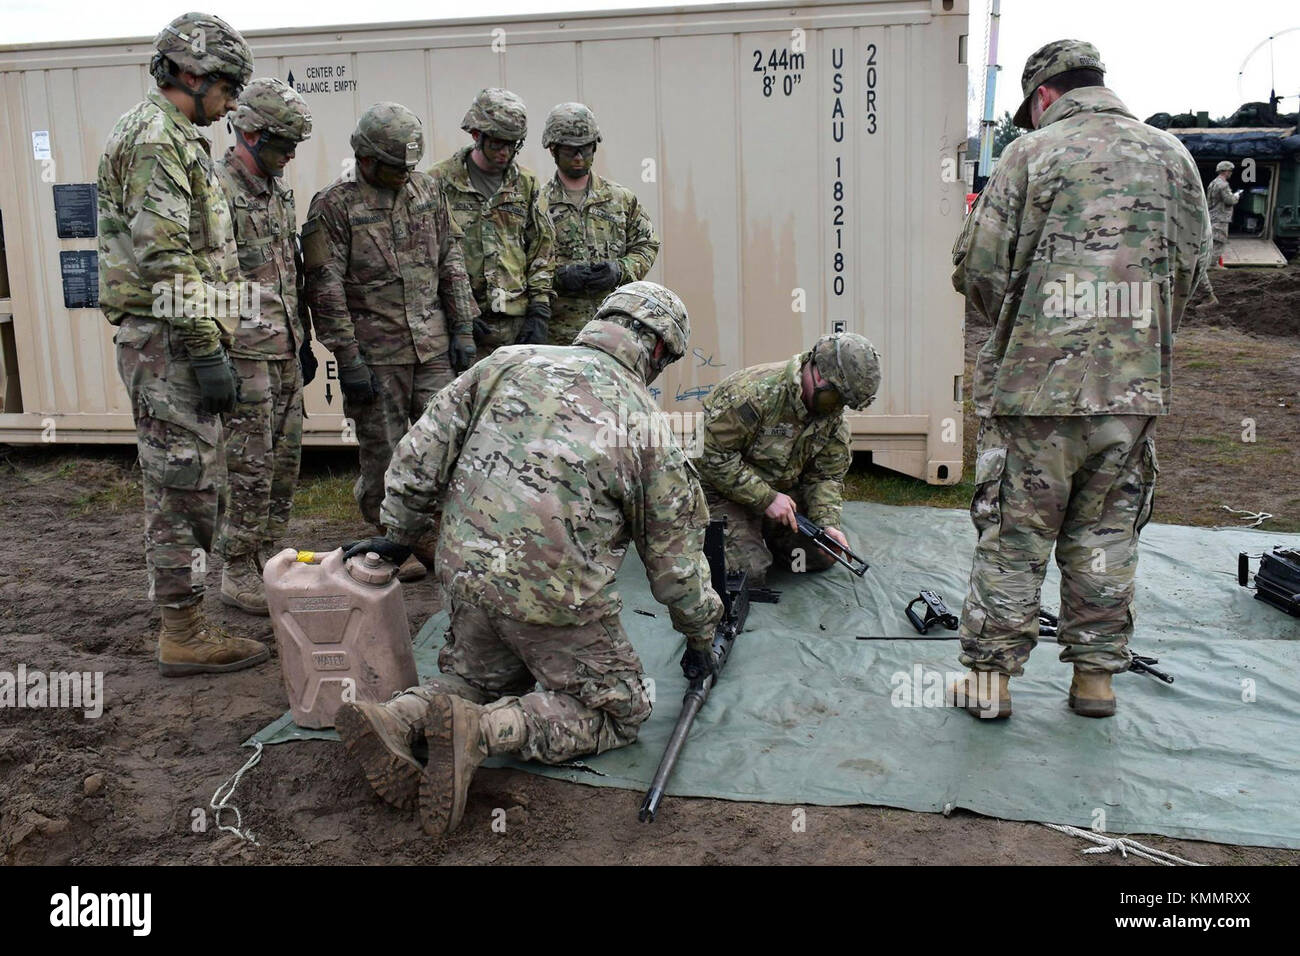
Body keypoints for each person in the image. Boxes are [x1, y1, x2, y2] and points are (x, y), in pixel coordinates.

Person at [333, 281, 723, 835]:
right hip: (553, 599)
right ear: (656, 350)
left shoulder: (506, 362)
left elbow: (419, 453)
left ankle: (396, 717)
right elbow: (675, 565)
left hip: (466, 575)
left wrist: (400, 532)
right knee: (618, 708)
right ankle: (480, 733)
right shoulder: (646, 424)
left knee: (473, 676)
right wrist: (701, 634)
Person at [949, 39, 1211, 719]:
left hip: (1035, 393)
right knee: (1106, 537)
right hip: (1129, 397)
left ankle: (990, 684)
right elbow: (1191, 272)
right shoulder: (1173, 157)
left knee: (1014, 538)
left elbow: (979, 273)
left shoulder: (1029, 155)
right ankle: (1095, 680)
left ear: (1043, 97)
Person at [98, 12, 269, 676]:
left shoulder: (173, 137)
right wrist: (205, 348)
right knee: (182, 490)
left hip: (180, 337)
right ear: (192, 75)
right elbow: (168, 260)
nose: (230, 103)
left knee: (191, 485)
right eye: (227, 87)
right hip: (170, 343)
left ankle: (187, 620)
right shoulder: (155, 140)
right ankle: (183, 631)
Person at [302, 102, 479, 581]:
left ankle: (436, 538)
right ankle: (390, 539)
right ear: (365, 158)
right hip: (375, 357)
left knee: (446, 447)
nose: (404, 174)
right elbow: (326, 285)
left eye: (408, 166)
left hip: (433, 348)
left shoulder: (427, 190)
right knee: (385, 454)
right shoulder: (334, 207)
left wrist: (462, 328)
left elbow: (451, 261)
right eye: (394, 166)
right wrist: (348, 357)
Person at [214, 78, 314, 614]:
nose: (290, 155)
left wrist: (304, 340)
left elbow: (288, 272)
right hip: (243, 352)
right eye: (281, 144)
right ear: (248, 132)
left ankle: (271, 556)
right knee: (247, 467)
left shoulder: (276, 192)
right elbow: (208, 278)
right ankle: (235, 567)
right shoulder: (216, 191)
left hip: (283, 348)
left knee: (285, 464)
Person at [696, 333, 881, 586]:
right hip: (723, 493)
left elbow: (826, 476)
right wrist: (766, 498)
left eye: (845, 404)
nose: (838, 409)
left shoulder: (832, 418)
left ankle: (760, 532)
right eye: (836, 398)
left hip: (781, 497)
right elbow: (709, 456)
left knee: (819, 556)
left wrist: (826, 523)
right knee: (745, 575)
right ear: (818, 373)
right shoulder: (751, 394)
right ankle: (705, 532)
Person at [428, 88, 555, 358]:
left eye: (513, 145)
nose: (505, 153)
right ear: (477, 135)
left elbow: (541, 249)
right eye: (497, 143)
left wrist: (539, 310)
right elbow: (427, 256)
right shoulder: (438, 182)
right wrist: (459, 316)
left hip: (514, 323)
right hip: (458, 326)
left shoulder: (525, 183)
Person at [541, 102, 660, 345]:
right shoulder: (537, 204)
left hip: (614, 330)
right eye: (569, 150)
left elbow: (647, 245)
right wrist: (557, 276)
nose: (578, 157)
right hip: (560, 336)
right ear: (553, 150)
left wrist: (620, 269)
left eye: (584, 149)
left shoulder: (619, 199)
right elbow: (518, 263)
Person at [1206, 160, 1241, 264]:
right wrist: (1236, 196)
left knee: (1212, 241)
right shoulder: (1223, 185)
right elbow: (1229, 200)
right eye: (1230, 170)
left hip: (1212, 215)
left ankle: (1209, 263)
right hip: (1220, 217)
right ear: (1225, 171)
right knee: (1218, 242)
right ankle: (1212, 265)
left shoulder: (1213, 183)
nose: (1231, 173)